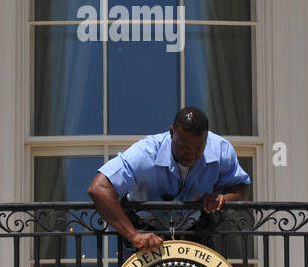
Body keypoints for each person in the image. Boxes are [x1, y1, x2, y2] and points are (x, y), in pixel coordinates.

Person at [86, 106, 251, 253]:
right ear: (172, 133)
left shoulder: (221, 149)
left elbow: (241, 188)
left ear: (206, 138)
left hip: (195, 231)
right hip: (144, 231)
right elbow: (99, 188)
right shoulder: (145, 152)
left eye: (198, 149)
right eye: (184, 147)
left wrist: (222, 198)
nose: (191, 154)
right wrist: (134, 235)